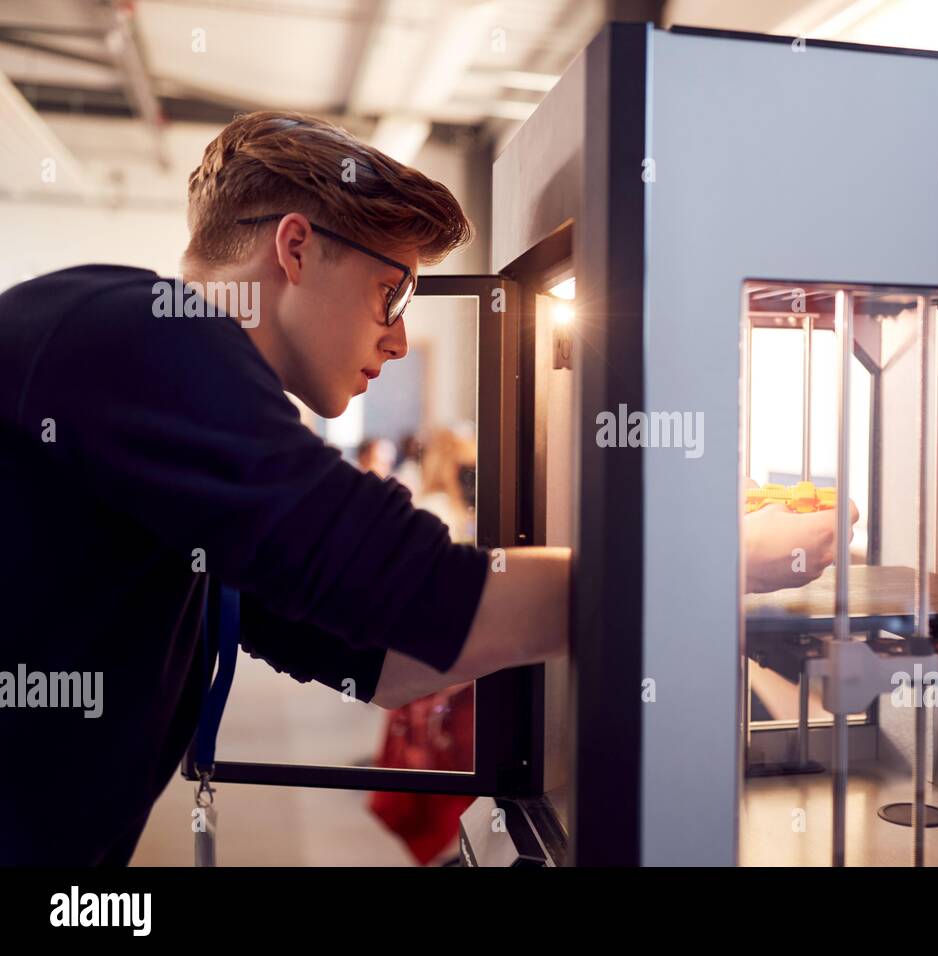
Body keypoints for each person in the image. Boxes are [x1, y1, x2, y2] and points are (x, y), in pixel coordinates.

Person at [0, 109, 844, 865]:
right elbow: (422, 593)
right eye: (390, 291)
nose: (399, 338)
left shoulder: (168, 420)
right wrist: (721, 558)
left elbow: (387, 658)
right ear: (295, 248)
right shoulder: (146, 334)